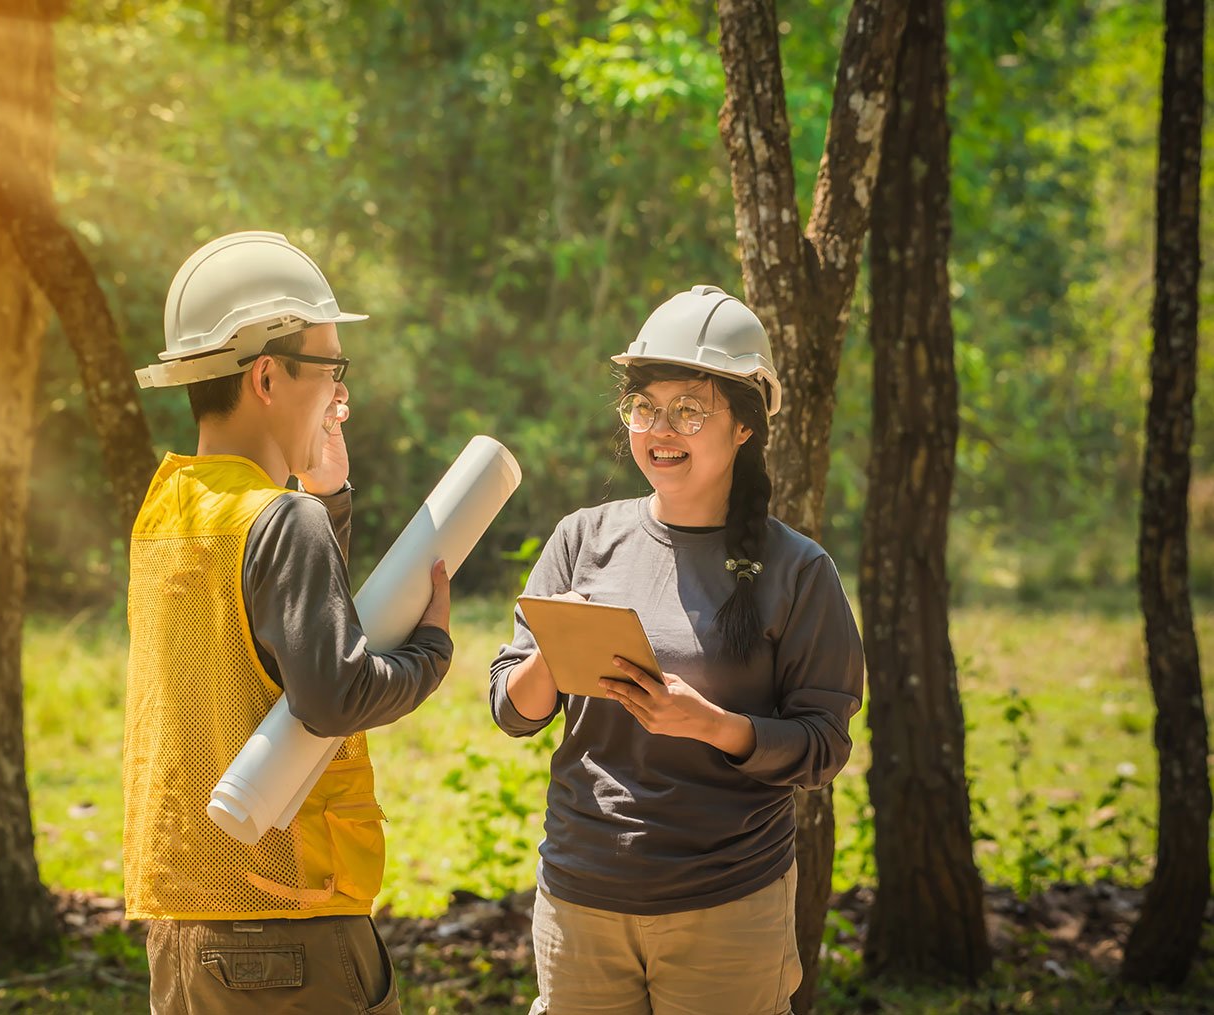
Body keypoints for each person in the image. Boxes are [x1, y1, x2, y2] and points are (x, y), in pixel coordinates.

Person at [490, 285, 864, 1015]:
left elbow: (824, 745)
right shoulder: (582, 537)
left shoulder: (798, 569)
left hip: (728, 905)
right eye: (644, 407)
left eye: (689, 409)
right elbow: (512, 708)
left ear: (746, 427)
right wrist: (551, 657)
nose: (661, 428)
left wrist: (716, 725)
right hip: (579, 897)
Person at [124, 230, 452, 1014]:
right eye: (332, 369)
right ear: (268, 375)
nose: (341, 393)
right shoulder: (282, 518)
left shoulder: (168, 507)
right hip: (288, 918)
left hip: (182, 923)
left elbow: (269, 632)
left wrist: (326, 498)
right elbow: (332, 692)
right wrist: (432, 652)